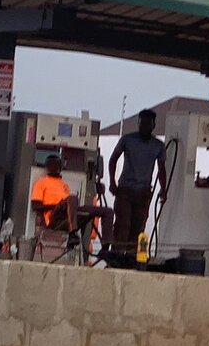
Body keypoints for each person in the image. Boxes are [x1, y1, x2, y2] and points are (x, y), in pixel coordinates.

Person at [108, 109, 167, 255]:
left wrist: (163, 189)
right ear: (138, 123)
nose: (144, 126)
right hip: (125, 190)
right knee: (122, 225)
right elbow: (113, 159)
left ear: (153, 125)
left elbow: (161, 169)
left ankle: (134, 258)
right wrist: (112, 182)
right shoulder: (127, 139)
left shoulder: (158, 145)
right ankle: (117, 257)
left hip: (143, 192)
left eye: (148, 123)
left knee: (139, 228)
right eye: (142, 123)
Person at [31, 155, 114, 249]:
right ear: (47, 167)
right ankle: (72, 234)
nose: (55, 168)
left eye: (57, 165)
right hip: (54, 217)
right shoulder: (41, 183)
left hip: (68, 212)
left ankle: (106, 246)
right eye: (52, 165)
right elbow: (35, 206)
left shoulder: (64, 184)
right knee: (72, 198)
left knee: (108, 211)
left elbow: (70, 203)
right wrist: (56, 205)